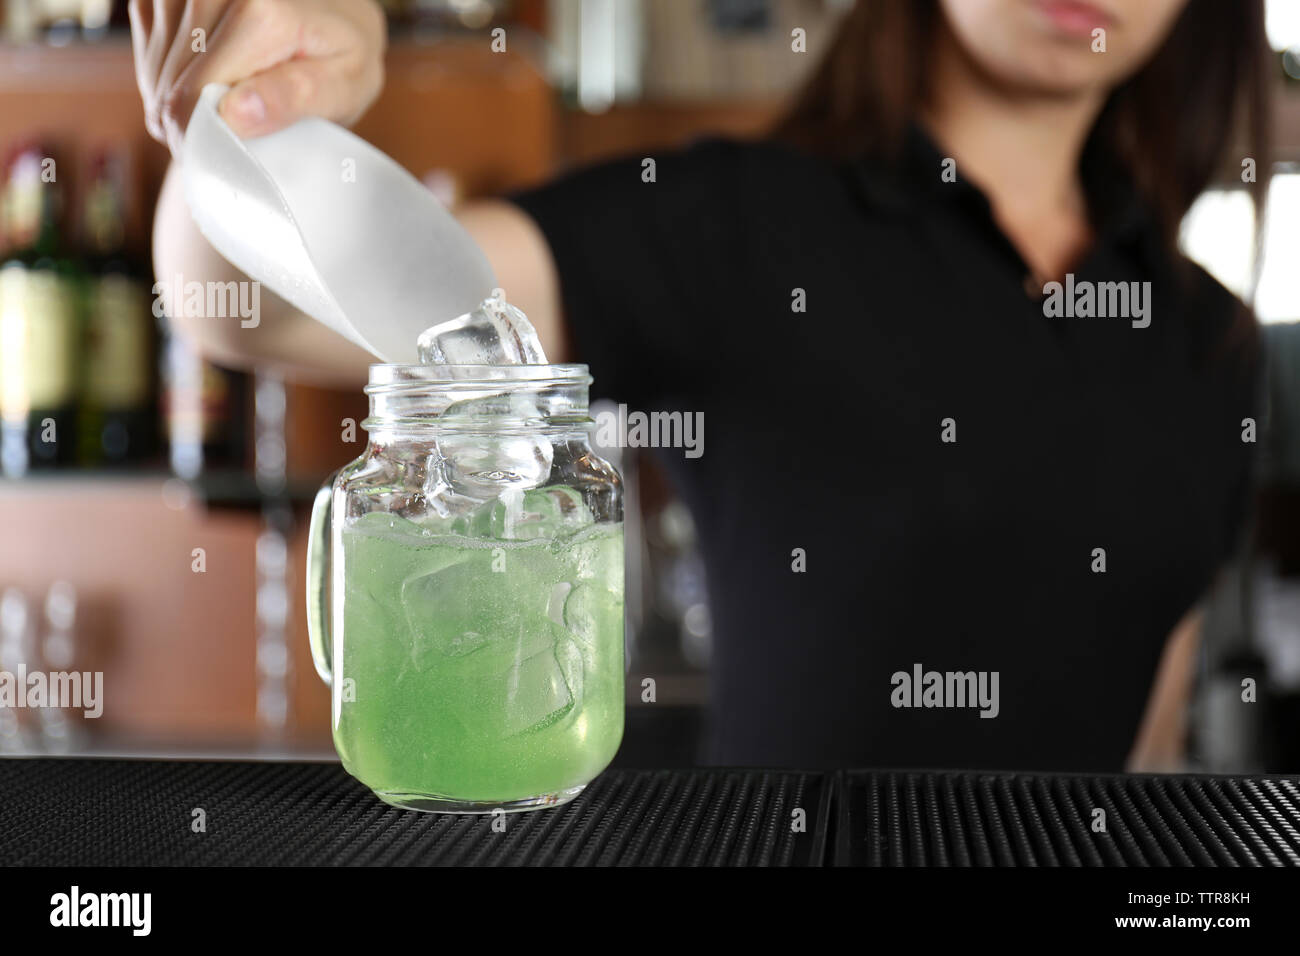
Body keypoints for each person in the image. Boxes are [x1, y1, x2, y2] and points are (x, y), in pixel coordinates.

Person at [130, 0, 1270, 772]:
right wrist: (262, 110)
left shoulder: (1212, 338)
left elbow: (1149, 739)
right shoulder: (733, 224)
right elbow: (256, 308)